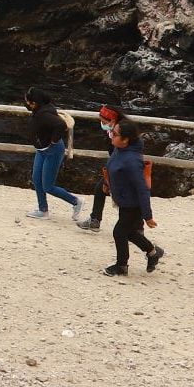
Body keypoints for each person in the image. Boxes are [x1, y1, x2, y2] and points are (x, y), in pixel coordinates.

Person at [102, 122, 163, 276]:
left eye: (114, 134)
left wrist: (147, 216)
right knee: (129, 232)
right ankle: (152, 252)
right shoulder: (119, 150)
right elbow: (113, 169)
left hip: (133, 204)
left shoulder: (132, 161)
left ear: (125, 140)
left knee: (119, 232)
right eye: (111, 132)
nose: (111, 135)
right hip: (123, 200)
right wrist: (107, 184)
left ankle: (121, 266)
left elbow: (142, 189)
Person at [23, 87, 83, 223]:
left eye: (28, 102)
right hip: (42, 150)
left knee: (48, 186)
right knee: (36, 178)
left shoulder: (44, 114)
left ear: (35, 103)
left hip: (52, 151)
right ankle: (42, 210)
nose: (26, 104)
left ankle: (76, 201)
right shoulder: (41, 110)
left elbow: (60, 125)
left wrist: (53, 141)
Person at [76, 102, 129, 232]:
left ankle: (135, 228)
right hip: (116, 167)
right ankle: (95, 219)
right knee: (100, 189)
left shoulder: (121, 133)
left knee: (125, 198)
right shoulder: (113, 131)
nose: (102, 124)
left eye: (103, 121)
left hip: (123, 169)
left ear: (112, 120)